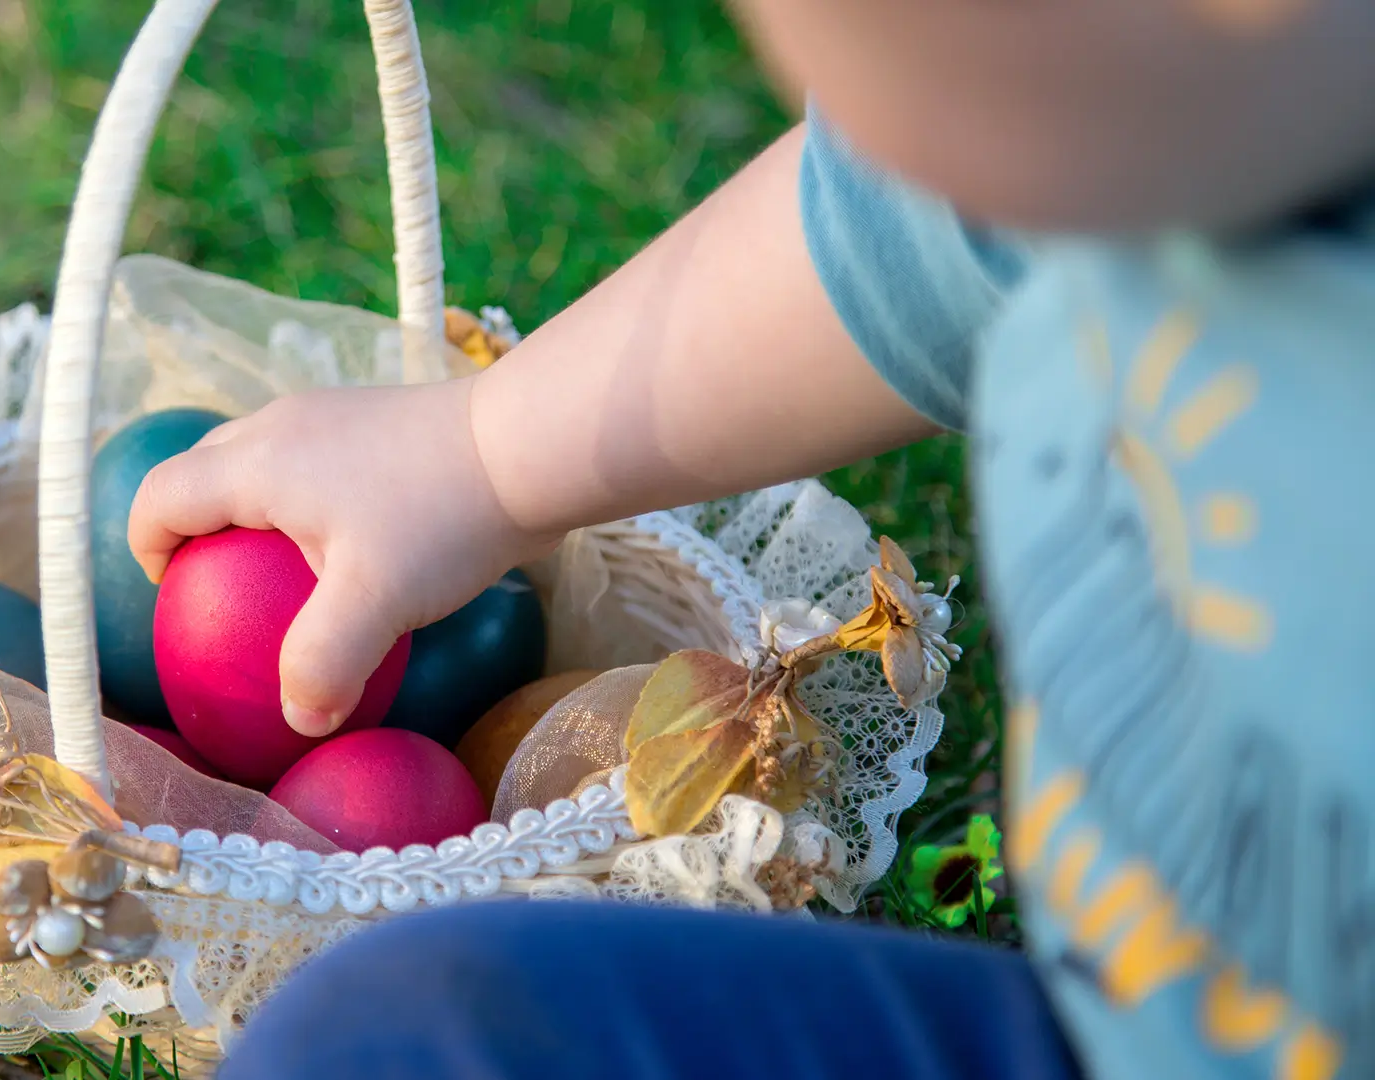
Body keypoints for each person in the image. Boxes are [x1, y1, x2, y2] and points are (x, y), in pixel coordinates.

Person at [129, 1, 1375, 1076]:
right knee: (389, 1042)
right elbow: (928, 228)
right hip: (1126, 1034)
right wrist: (480, 456)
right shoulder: (1140, 120)